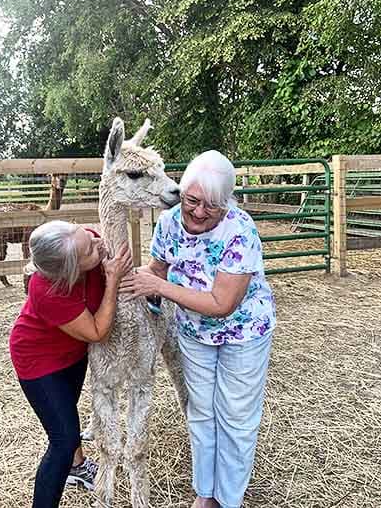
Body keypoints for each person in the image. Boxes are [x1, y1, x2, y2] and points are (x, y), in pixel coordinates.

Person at [121, 150, 276, 508]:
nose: (200, 211)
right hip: (193, 332)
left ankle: (229, 498)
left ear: (227, 204)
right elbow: (157, 270)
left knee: (235, 416)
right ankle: (206, 493)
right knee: (201, 411)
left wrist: (160, 289)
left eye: (212, 206)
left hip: (243, 333)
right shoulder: (169, 223)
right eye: (192, 200)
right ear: (183, 193)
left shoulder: (239, 230)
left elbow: (222, 304)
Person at [9, 220, 132, 508]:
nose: (98, 243)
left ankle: (76, 468)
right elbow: (97, 331)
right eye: (89, 249)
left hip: (73, 353)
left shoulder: (87, 241)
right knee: (63, 440)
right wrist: (112, 280)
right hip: (39, 360)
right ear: (70, 271)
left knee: (69, 413)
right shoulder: (46, 290)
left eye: (86, 234)